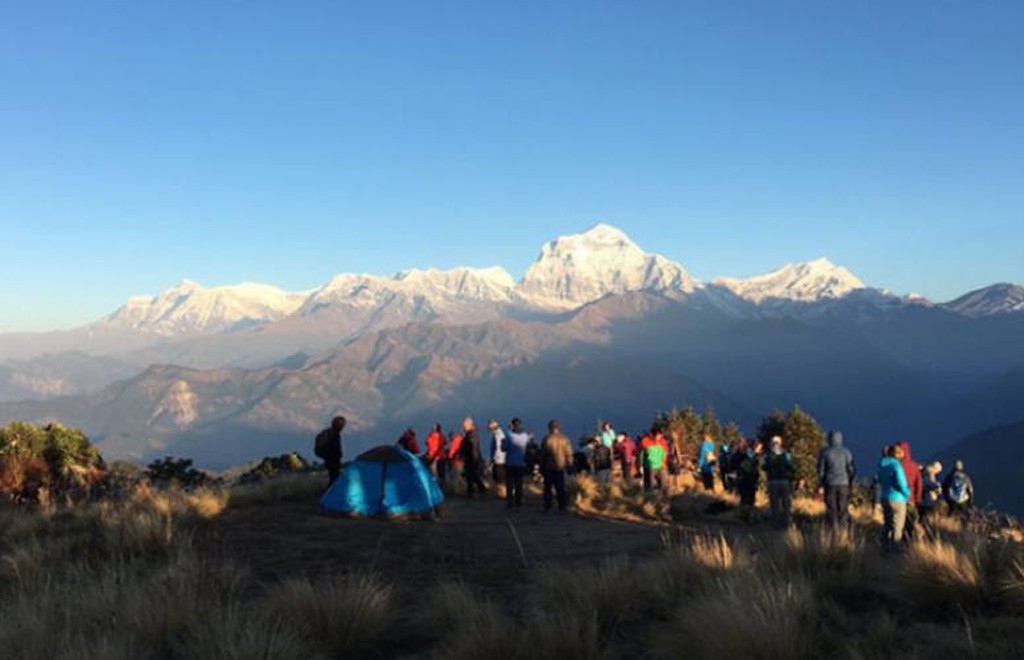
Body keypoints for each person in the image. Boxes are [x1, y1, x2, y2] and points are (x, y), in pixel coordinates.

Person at [817, 430, 856, 531]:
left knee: (831, 509)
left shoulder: (825, 453)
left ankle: (833, 530)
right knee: (843, 508)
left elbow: (821, 471)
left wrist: (820, 484)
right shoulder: (846, 452)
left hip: (830, 484)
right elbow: (851, 469)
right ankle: (843, 530)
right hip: (844, 484)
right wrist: (850, 481)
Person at [878, 444, 911, 555]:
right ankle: (896, 553)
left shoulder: (881, 465)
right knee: (897, 527)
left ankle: (884, 550)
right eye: (901, 453)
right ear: (896, 454)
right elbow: (901, 483)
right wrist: (907, 493)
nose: (903, 455)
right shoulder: (896, 465)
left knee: (887, 525)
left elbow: (879, 480)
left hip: (884, 497)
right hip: (897, 498)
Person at [539, 419, 573, 512]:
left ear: (549, 428)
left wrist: (541, 465)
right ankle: (562, 506)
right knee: (560, 487)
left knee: (548, 488)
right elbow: (569, 454)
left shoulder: (547, 439)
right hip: (560, 467)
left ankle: (547, 506)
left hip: (549, 467)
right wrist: (569, 465)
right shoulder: (565, 439)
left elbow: (542, 454)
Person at [763, 436, 795, 528]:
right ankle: (787, 523)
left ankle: (776, 524)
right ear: (780, 443)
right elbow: (790, 467)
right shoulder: (786, 454)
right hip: (784, 481)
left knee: (774, 504)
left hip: (772, 481)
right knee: (786, 504)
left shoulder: (767, 455)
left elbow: (764, 467)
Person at [895, 441, 923, 541]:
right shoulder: (914, 466)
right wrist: (918, 499)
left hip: (897, 499)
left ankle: (896, 543)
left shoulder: (895, 465)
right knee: (910, 522)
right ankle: (908, 542)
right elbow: (919, 484)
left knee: (897, 523)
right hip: (910, 499)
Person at [503, 418, 530, 507]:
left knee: (510, 484)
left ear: (512, 425)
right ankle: (519, 501)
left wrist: (508, 430)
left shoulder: (509, 435)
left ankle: (510, 501)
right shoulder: (524, 436)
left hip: (510, 462)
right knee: (519, 483)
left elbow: (504, 448)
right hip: (520, 463)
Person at [315, 415, 346, 487]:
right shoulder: (335, 435)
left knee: (333, 477)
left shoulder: (328, 433)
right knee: (335, 478)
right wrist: (339, 456)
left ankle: (330, 490)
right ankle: (331, 491)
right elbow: (336, 449)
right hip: (333, 460)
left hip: (327, 458)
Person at [460, 418, 487, 498]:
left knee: (473, 475)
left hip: (472, 458)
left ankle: (476, 490)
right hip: (469, 458)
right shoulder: (468, 434)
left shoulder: (473, 435)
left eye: (464, 426)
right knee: (470, 475)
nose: (463, 427)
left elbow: (473, 447)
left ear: (470, 425)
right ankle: (473, 491)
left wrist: (475, 459)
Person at [736, 439, 761, 522]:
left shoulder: (741, 454)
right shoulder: (752, 456)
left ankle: (742, 514)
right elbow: (754, 469)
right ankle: (749, 516)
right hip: (749, 479)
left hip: (742, 478)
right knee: (750, 499)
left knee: (744, 498)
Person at [641, 427, 668, 492]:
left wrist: (664, 464)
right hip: (649, 466)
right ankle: (649, 496)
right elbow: (641, 454)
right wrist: (640, 465)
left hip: (661, 466)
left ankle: (663, 496)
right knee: (650, 485)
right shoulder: (645, 441)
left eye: (661, 435)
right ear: (653, 434)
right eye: (659, 435)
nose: (660, 437)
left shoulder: (663, 441)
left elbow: (665, 453)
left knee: (663, 484)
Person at [920, 461, 943, 530]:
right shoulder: (929, 474)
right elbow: (930, 484)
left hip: (923, 498)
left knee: (923, 515)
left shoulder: (924, 472)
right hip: (929, 499)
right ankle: (927, 528)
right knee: (928, 515)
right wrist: (937, 488)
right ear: (936, 469)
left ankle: (923, 527)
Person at [488, 419, 508, 497]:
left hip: (500, 460)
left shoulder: (498, 435)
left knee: (500, 478)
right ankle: (502, 492)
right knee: (499, 477)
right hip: (500, 459)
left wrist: (494, 458)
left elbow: (499, 448)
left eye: (489, 426)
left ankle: (503, 493)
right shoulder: (497, 434)